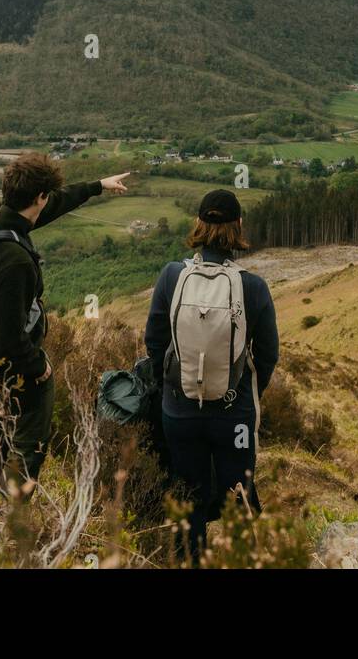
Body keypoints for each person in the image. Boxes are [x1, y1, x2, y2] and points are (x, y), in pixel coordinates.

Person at [0, 150, 129, 498]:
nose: (48, 202)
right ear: (37, 197)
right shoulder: (15, 263)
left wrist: (97, 186)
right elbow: (10, 339)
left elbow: (53, 206)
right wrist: (40, 370)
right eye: (46, 195)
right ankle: (12, 523)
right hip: (8, 362)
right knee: (28, 440)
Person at [144, 189, 279, 562]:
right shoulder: (253, 287)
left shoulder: (172, 276)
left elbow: (154, 342)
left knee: (189, 498)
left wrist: (171, 389)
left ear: (198, 225)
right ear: (238, 227)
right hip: (233, 416)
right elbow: (268, 355)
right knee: (241, 493)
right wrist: (248, 395)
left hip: (179, 412)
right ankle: (253, 558)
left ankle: (190, 560)